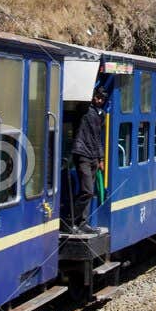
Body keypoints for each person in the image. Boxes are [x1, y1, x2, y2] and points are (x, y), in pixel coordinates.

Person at [71, 87, 106, 228]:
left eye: (102, 99)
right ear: (93, 97)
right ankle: (73, 220)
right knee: (88, 190)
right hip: (82, 154)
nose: (100, 100)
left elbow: (97, 138)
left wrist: (101, 158)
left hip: (92, 156)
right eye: (98, 97)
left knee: (89, 192)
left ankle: (82, 222)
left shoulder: (100, 114)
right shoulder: (85, 111)